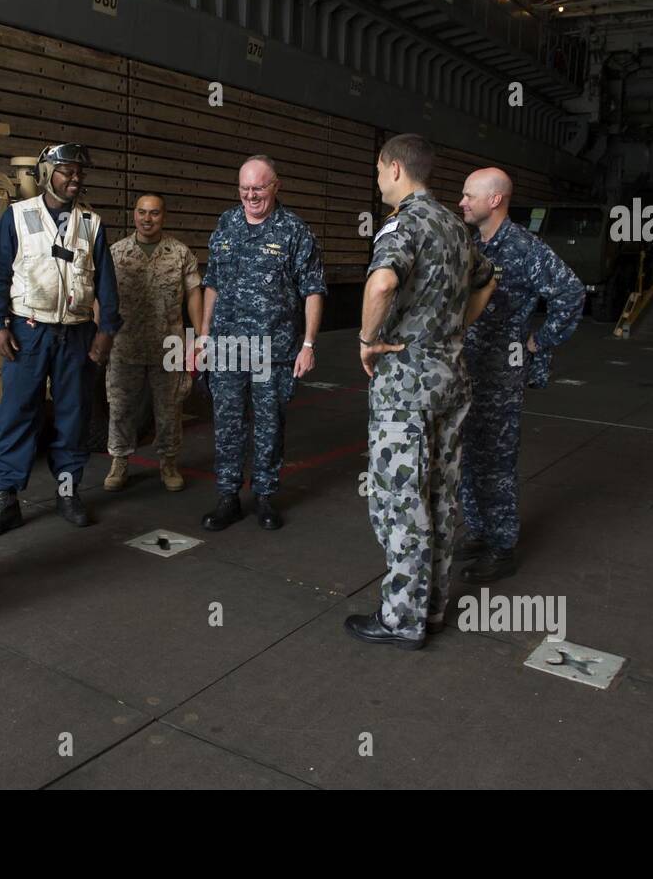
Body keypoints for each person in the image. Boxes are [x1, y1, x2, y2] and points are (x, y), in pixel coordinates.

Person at [344, 134, 496, 650]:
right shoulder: (457, 226)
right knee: (439, 492)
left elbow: (382, 283)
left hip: (406, 382)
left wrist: (368, 340)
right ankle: (430, 609)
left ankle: (400, 619)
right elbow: (485, 280)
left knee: (399, 499)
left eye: (378, 169)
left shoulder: (403, 223)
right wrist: (453, 329)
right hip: (451, 377)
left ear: (392, 168)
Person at [0, 144, 121, 537]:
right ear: (45, 174)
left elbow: (106, 282)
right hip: (28, 332)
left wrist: (106, 331)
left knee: (73, 415)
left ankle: (68, 493)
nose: (75, 178)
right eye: (66, 171)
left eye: (79, 173)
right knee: (16, 414)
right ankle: (6, 500)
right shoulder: (18, 217)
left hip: (77, 334)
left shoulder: (92, 222)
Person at [456, 168, 585, 583]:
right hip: (467, 367)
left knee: (496, 459)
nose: (462, 202)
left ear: (495, 200)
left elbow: (571, 292)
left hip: (501, 373)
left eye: (468, 196)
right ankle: (479, 531)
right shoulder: (472, 244)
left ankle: (502, 547)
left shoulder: (526, 248)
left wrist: (540, 341)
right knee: (468, 455)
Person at [199, 155, 326, 531]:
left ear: (276, 187)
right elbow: (212, 282)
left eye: (258, 188)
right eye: (244, 189)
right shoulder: (226, 223)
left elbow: (314, 290)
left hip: (274, 348)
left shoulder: (294, 231)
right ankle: (227, 497)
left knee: (270, 424)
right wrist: (204, 334)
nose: (250, 196)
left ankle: (266, 496)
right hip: (226, 346)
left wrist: (308, 344)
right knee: (227, 423)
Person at [103, 193, 203, 492]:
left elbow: (194, 293)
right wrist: (100, 333)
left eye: (154, 213)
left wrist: (198, 337)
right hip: (125, 345)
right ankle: (119, 462)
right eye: (142, 212)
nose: (148, 219)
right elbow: (103, 297)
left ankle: (169, 462)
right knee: (120, 407)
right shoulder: (116, 253)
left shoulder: (179, 253)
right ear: (134, 215)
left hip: (168, 346)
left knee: (170, 408)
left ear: (164, 216)